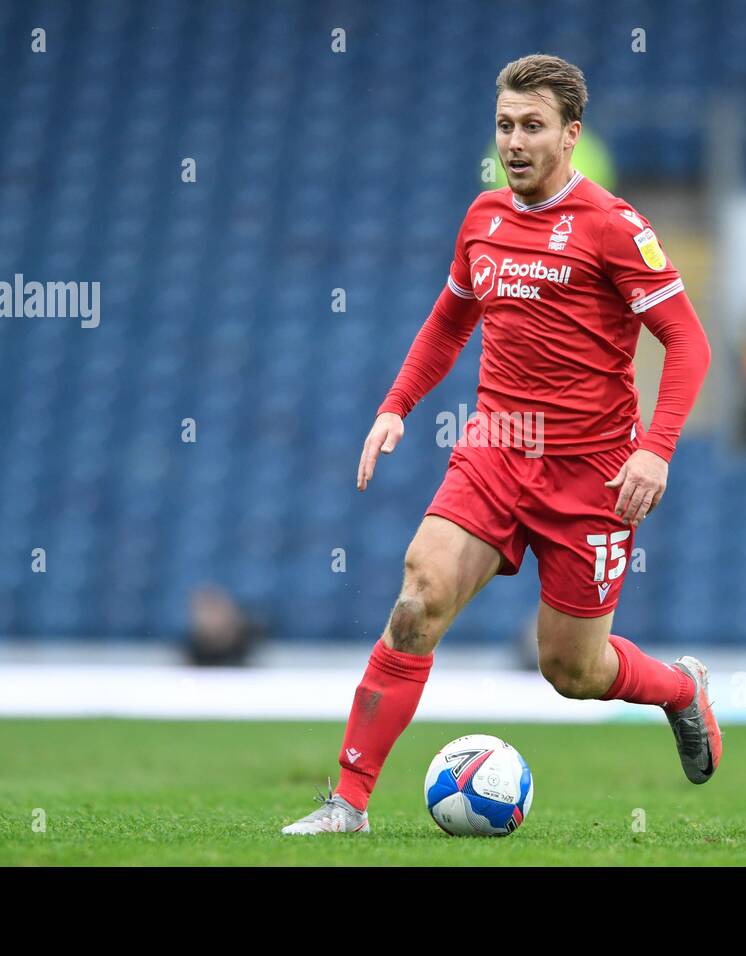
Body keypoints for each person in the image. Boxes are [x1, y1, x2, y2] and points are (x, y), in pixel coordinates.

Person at [282, 54, 720, 835]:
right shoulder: (482, 218)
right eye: (505, 125)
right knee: (418, 600)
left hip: (593, 473)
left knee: (571, 669)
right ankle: (347, 803)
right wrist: (396, 406)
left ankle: (681, 692)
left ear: (570, 135)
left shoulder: (614, 228)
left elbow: (686, 342)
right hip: (494, 448)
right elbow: (452, 319)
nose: (514, 142)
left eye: (532, 126)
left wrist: (656, 449)